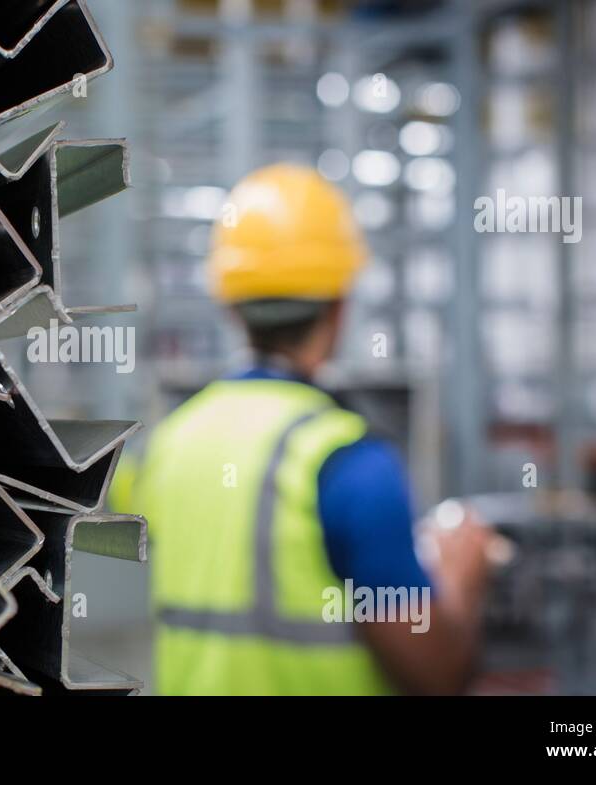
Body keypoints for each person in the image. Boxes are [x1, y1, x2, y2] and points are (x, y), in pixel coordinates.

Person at [118, 165, 494, 695]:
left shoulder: (170, 445)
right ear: (340, 308)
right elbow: (436, 673)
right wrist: (463, 577)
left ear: (230, 306)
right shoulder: (352, 467)